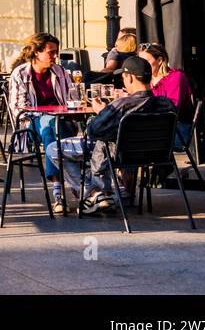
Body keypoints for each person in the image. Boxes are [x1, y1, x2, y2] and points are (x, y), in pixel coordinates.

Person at [46, 54, 176, 213]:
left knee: (54, 148)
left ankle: (94, 194)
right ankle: (115, 193)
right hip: (156, 154)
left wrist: (101, 112)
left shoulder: (121, 106)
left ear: (129, 78)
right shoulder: (166, 104)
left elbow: (93, 132)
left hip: (117, 152)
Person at [7, 32, 74, 211]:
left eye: (56, 52)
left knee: (55, 127)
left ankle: (64, 189)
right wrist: (46, 115)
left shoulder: (59, 71)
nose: (55, 56)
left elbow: (70, 98)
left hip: (61, 121)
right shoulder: (20, 73)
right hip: (31, 126)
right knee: (47, 126)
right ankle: (65, 189)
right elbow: (19, 110)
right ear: (37, 52)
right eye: (51, 52)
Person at [142, 42, 193, 150]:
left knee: (132, 138)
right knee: (121, 135)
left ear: (160, 60)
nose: (142, 65)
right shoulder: (145, 79)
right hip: (152, 128)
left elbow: (171, 110)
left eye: (145, 61)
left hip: (176, 130)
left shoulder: (176, 77)